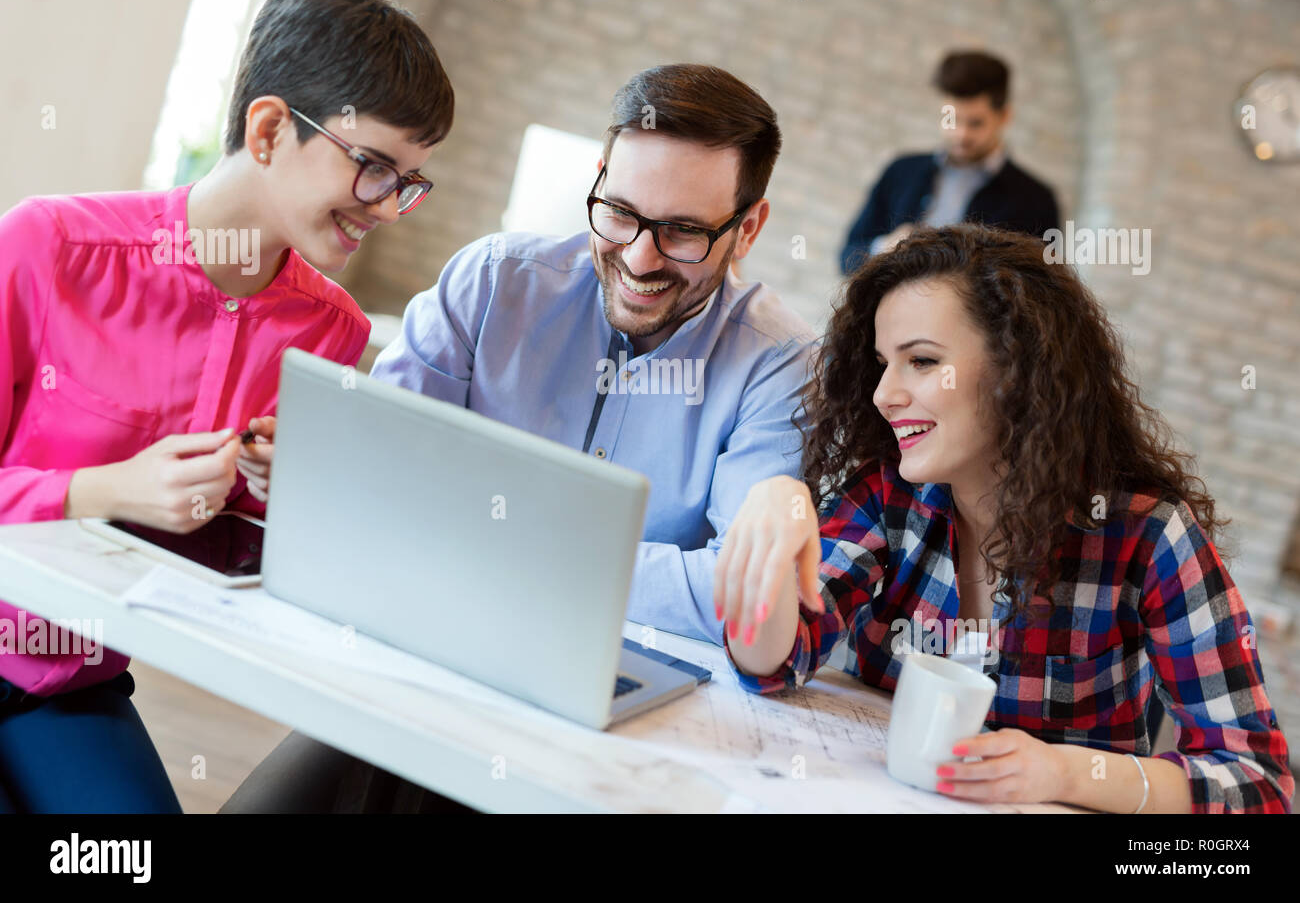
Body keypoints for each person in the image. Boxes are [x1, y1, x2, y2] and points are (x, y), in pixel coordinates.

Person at [225, 63, 816, 813]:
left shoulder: (780, 365)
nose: (639, 258)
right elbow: (379, 475)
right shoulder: (493, 281)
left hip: (606, 723)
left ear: (749, 228)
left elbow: (740, 596)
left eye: (684, 232)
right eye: (622, 212)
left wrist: (494, 540)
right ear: (597, 179)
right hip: (426, 663)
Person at [0, 0, 454, 812]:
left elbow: (247, 562)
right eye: (373, 169)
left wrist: (282, 508)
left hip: (65, 687)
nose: (390, 209)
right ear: (272, 127)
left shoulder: (333, 333)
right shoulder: (49, 246)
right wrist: (100, 489)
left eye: (409, 182)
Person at [717, 225, 1293, 813]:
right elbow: (777, 660)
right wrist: (773, 511)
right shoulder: (890, 494)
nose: (884, 394)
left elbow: (1258, 782)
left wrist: (1063, 774)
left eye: (921, 361)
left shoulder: (1148, 537)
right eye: (882, 363)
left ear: (1017, 371)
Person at [839, 51, 1060, 275]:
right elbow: (846, 257)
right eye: (951, 119)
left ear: (1004, 116)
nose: (960, 134)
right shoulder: (901, 171)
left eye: (975, 123)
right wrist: (884, 248)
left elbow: (1044, 289)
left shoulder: (1037, 201)